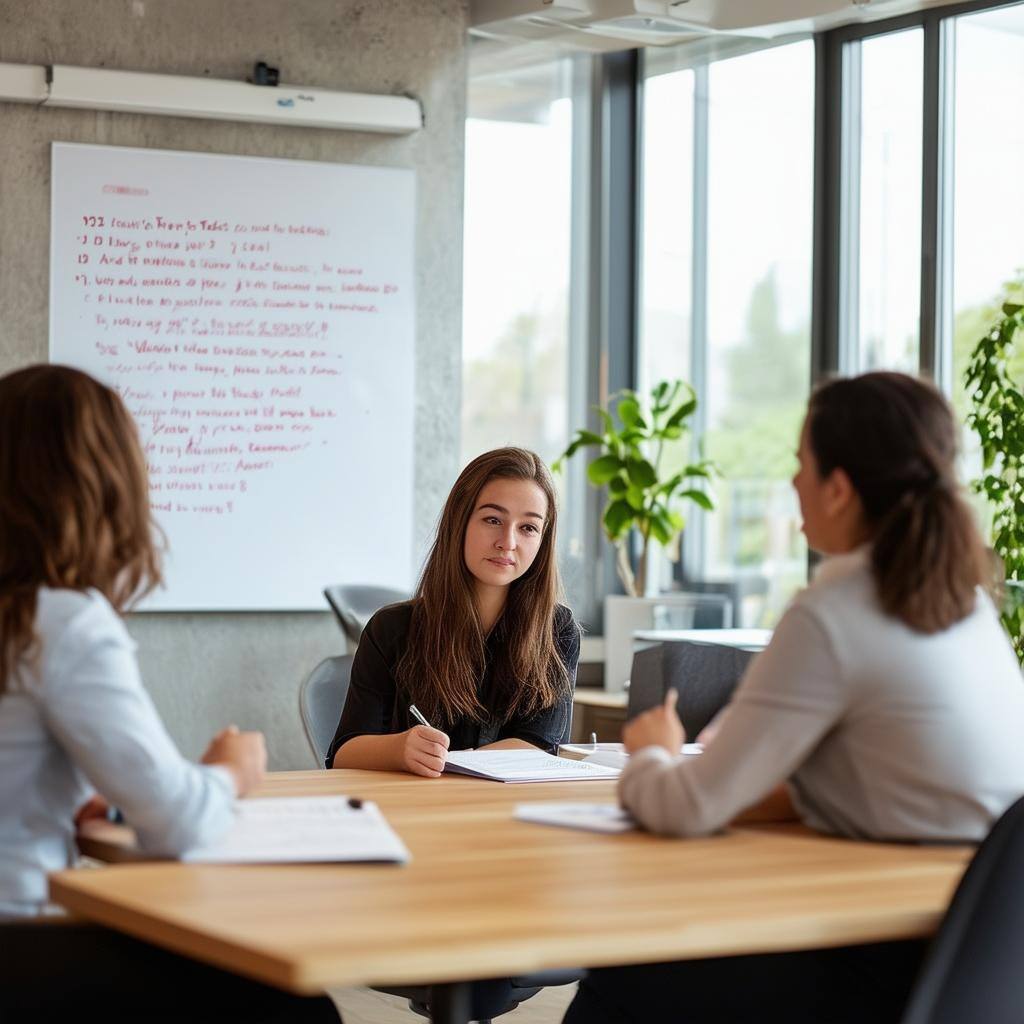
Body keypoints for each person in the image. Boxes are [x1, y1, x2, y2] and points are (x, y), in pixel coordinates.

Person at [564, 371, 1024, 1024]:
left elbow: (686, 807)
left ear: (839, 488)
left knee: (625, 975)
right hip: (976, 964)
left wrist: (652, 752)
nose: (792, 482)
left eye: (801, 463)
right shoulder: (966, 606)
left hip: (886, 968)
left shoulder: (833, 611)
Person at [0, 364, 339, 1023]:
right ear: (105, 484)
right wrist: (231, 771)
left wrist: (69, 790)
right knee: (296, 1006)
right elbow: (178, 823)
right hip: (16, 942)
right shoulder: (64, 623)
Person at [329, 446, 580, 776]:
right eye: (493, 520)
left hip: (508, 805)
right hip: (411, 804)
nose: (508, 542)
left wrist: (454, 763)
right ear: (459, 522)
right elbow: (343, 754)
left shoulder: (557, 629)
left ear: (543, 539)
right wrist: (399, 750)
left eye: (528, 528)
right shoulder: (390, 628)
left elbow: (539, 746)